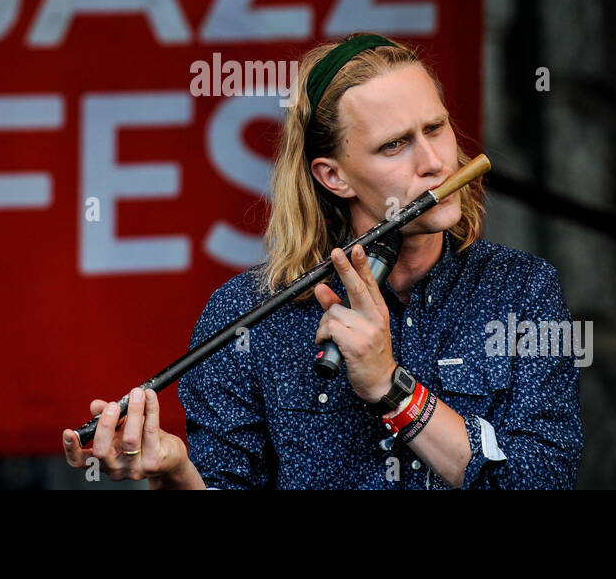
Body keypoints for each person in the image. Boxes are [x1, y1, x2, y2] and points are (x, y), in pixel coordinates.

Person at [62, 33, 583, 489]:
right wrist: (177, 475)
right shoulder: (246, 317)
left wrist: (391, 387)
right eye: (395, 145)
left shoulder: (520, 289)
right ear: (334, 176)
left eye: (436, 127)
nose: (434, 162)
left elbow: (543, 476)